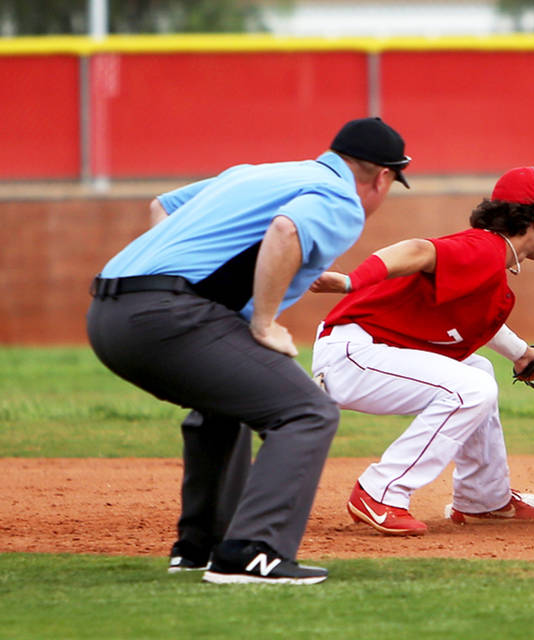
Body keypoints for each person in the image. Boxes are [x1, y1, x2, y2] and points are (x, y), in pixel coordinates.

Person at [86, 117, 411, 584]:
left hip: (108, 313)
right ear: (382, 176)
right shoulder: (343, 198)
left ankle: (200, 547)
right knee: (308, 411)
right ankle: (252, 552)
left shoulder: (257, 173)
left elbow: (162, 206)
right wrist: (263, 321)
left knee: (231, 403)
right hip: (163, 315)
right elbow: (285, 232)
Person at [309, 166, 534, 536]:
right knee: (471, 388)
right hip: (353, 355)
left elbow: (473, 318)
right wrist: (351, 281)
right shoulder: (484, 248)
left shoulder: (490, 264)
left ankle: (484, 498)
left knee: (479, 372)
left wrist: (522, 354)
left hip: (366, 352)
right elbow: (418, 250)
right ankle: (379, 491)